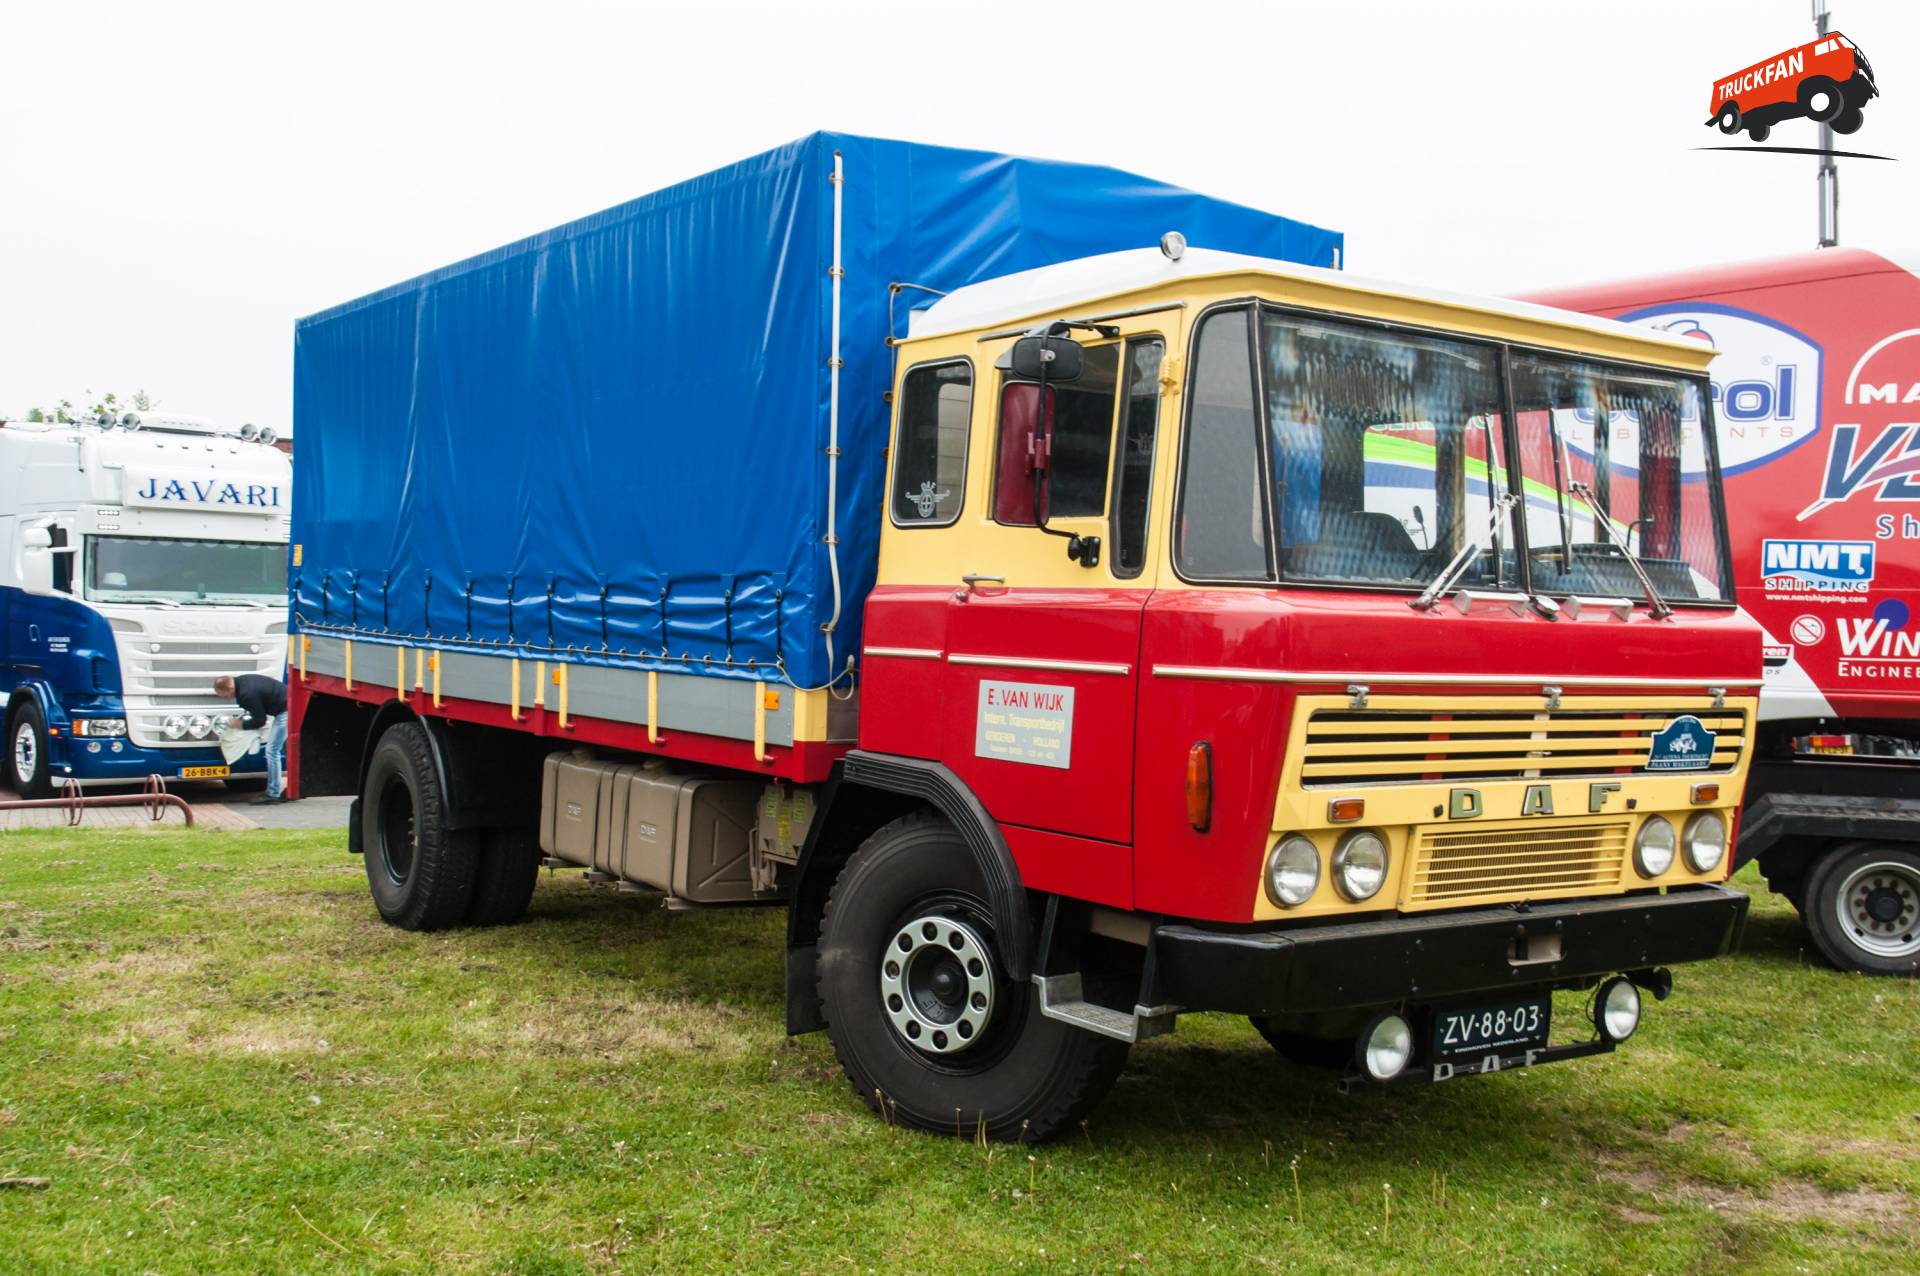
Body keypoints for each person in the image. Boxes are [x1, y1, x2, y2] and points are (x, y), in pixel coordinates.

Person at [213, 673, 290, 804]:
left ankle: (273, 793)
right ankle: (292, 788)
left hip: (285, 710)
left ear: (230, 689)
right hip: (288, 702)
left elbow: (260, 720)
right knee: (283, 748)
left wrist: (240, 725)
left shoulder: (246, 694)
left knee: (272, 751)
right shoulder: (242, 681)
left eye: (224, 695)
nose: (226, 698)